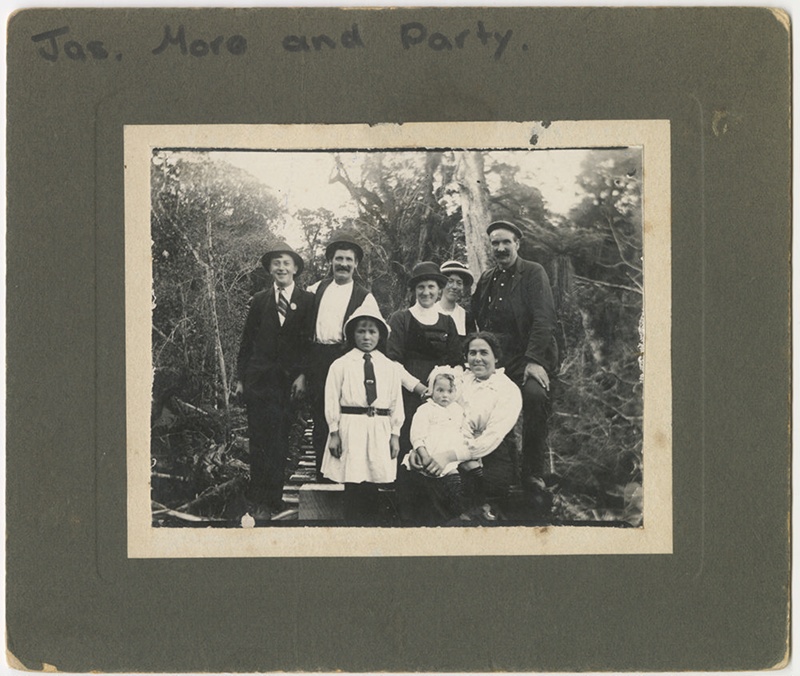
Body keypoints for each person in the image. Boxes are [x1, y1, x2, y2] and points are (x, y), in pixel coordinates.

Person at [472, 221, 558, 503]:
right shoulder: (486, 279)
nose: (500, 248)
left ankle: (533, 472)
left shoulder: (533, 273)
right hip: (496, 360)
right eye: (495, 243)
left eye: (506, 242)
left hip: (526, 355)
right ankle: (499, 471)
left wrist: (534, 361)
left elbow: (544, 319)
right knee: (485, 404)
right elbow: (475, 319)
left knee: (534, 396)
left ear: (517, 244)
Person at [234, 242, 314, 521]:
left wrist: (303, 375)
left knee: (280, 440)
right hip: (258, 381)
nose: (281, 267)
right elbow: (247, 342)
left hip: (288, 384)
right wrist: (241, 379)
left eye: (286, 263)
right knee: (259, 440)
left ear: (295, 269)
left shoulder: (307, 301)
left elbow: (309, 344)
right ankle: (259, 502)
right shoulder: (259, 300)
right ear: (270, 269)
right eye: (276, 263)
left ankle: (275, 498)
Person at [410, 332, 522, 515]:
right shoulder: (460, 382)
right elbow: (438, 415)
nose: (477, 358)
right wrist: (420, 450)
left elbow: (491, 439)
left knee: (475, 502)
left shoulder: (507, 389)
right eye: (472, 353)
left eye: (484, 353)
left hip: (491, 456)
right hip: (450, 450)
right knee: (426, 485)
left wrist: (448, 456)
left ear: (496, 356)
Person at [307, 231, 381, 480]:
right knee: (320, 417)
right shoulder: (315, 289)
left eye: (349, 260)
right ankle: (322, 474)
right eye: (339, 258)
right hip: (317, 360)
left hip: (347, 361)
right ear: (331, 261)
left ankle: (348, 476)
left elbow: (372, 334)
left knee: (348, 417)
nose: (343, 264)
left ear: (356, 264)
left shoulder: (364, 296)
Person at [320, 306, 404, 525]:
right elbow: (331, 400)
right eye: (361, 331)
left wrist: (395, 434)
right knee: (354, 479)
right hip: (351, 426)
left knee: (374, 477)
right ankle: (352, 529)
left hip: (379, 426)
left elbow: (396, 401)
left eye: (372, 331)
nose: (367, 337)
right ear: (352, 334)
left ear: (381, 335)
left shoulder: (390, 367)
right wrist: (334, 432)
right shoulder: (341, 365)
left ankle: (371, 530)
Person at [387, 262, 463, 461]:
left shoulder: (447, 322)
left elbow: (457, 363)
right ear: (414, 291)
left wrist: (444, 390)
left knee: (438, 439)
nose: (426, 292)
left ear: (439, 290)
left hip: (440, 394)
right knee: (409, 439)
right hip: (408, 393)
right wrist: (419, 389)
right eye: (421, 287)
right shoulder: (401, 319)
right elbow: (393, 362)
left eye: (431, 287)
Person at [397, 366, 480, 524]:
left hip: (452, 451)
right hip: (432, 450)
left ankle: (468, 508)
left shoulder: (458, 410)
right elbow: (417, 436)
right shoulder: (425, 409)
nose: (444, 396)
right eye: (440, 390)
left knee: (467, 470)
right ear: (431, 390)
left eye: (449, 391)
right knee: (444, 473)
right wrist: (424, 455)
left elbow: (465, 432)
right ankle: (455, 512)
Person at [434, 260, 478, 337]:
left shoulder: (466, 317)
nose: (454, 287)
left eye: (459, 283)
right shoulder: (429, 312)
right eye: (450, 281)